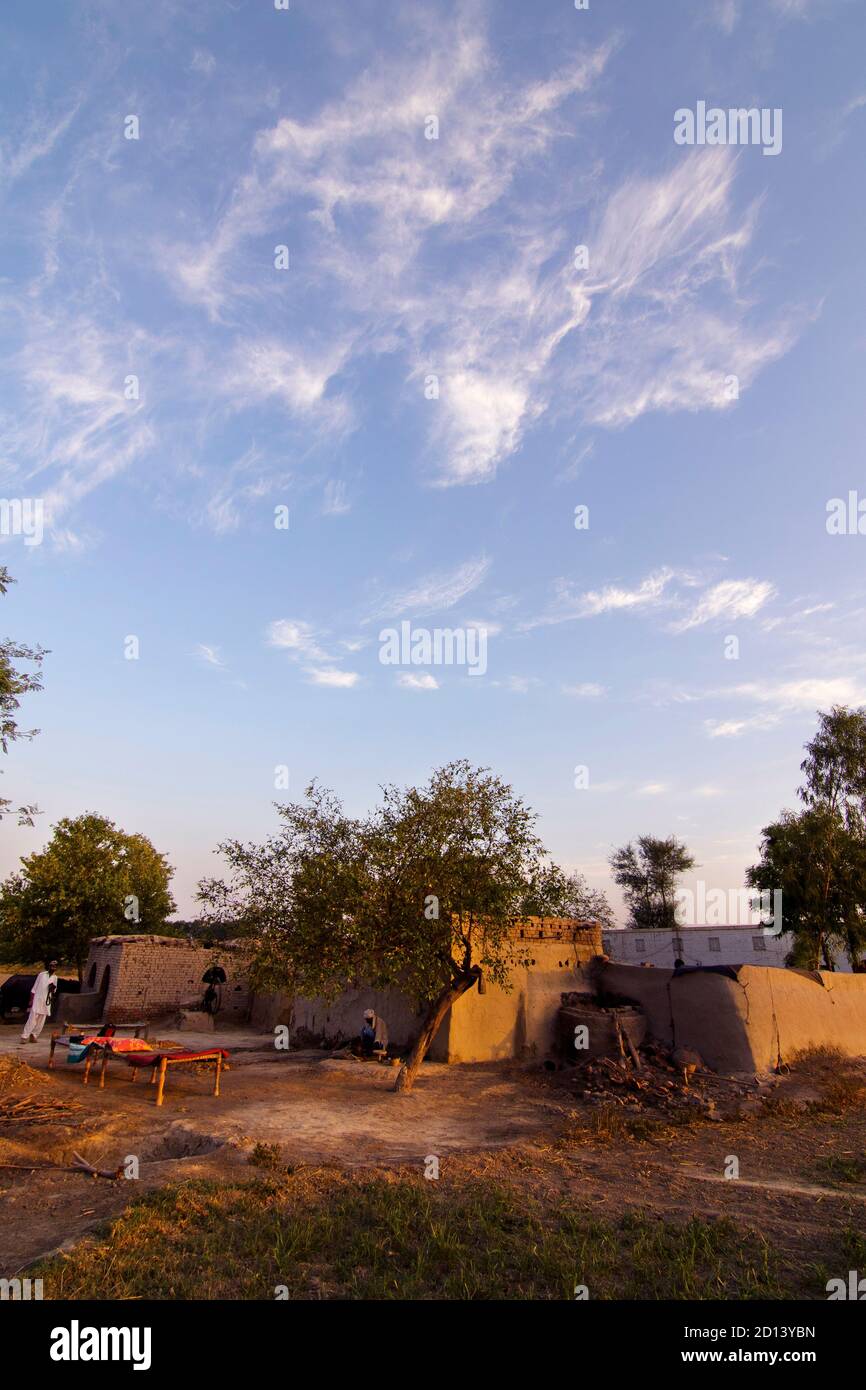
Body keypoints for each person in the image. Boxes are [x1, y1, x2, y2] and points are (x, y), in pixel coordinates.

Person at [20, 960, 59, 1044]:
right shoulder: (42, 975)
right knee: (32, 1019)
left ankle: (34, 1036)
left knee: (41, 1020)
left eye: (54, 967)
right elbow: (34, 988)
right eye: (52, 966)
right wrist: (31, 999)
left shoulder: (55, 978)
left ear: (56, 968)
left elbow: (54, 991)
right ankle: (24, 1036)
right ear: (49, 966)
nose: (53, 968)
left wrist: (52, 988)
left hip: (46, 1001)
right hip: (37, 999)